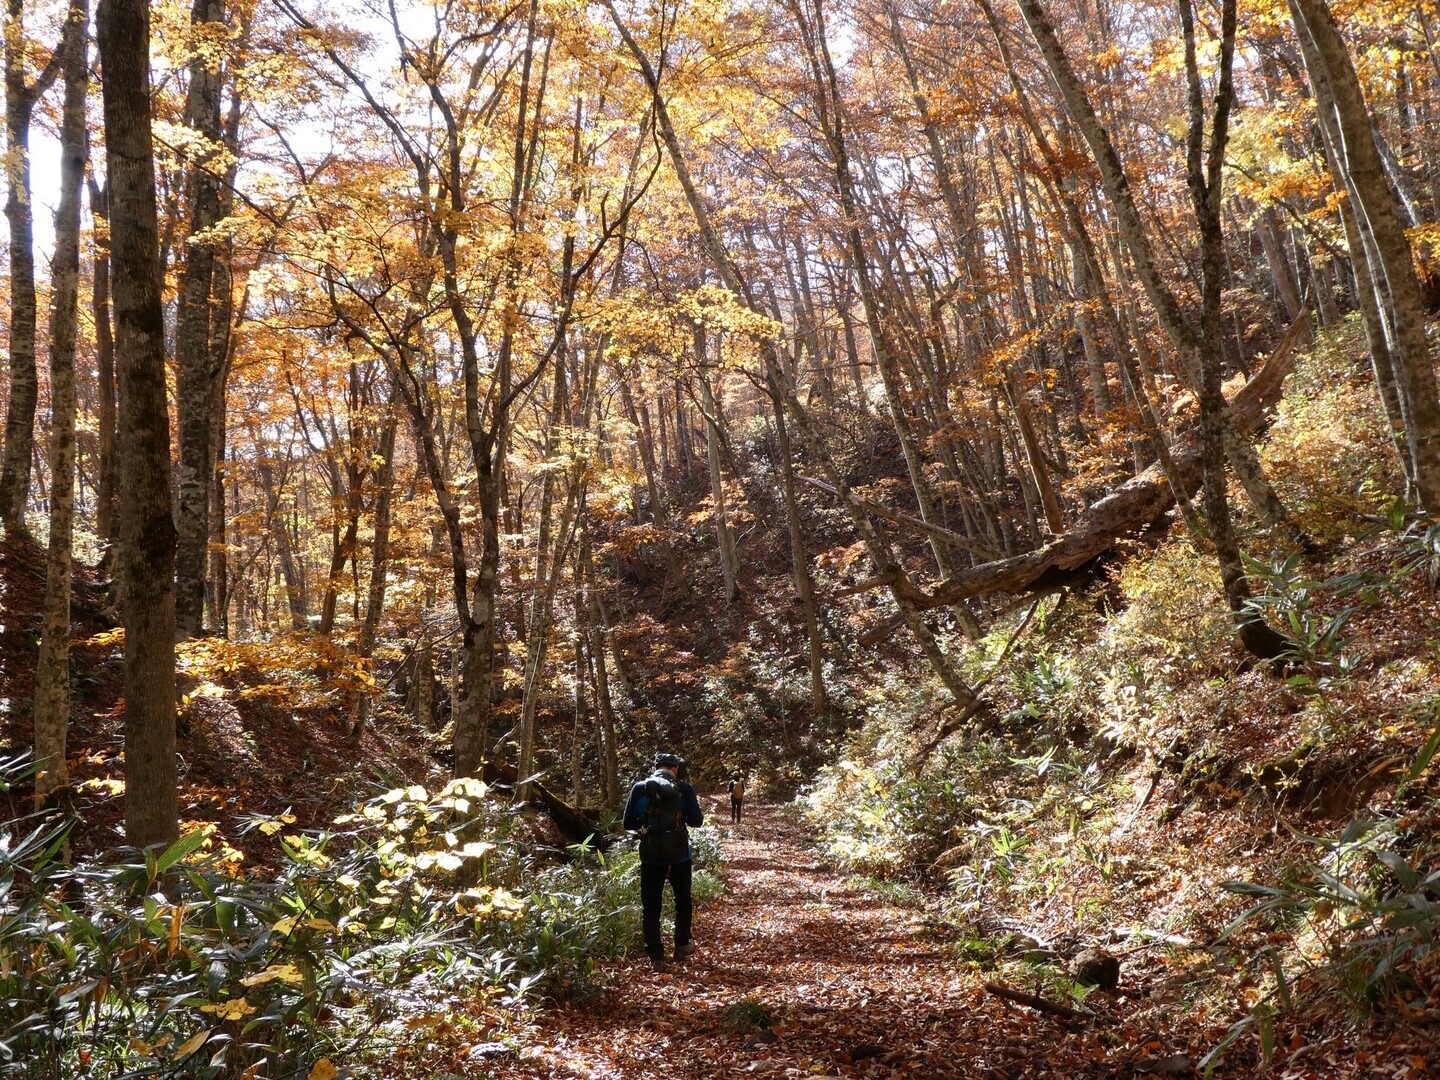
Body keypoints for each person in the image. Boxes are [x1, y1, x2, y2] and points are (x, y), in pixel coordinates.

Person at [623, 752, 704, 971]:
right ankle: (681, 945)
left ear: (655, 768)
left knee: (651, 906)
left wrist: (646, 823)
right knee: (683, 900)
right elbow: (697, 821)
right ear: (676, 769)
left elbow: (628, 823)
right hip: (680, 857)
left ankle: (656, 956)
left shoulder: (640, 788)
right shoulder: (684, 789)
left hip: (651, 857)